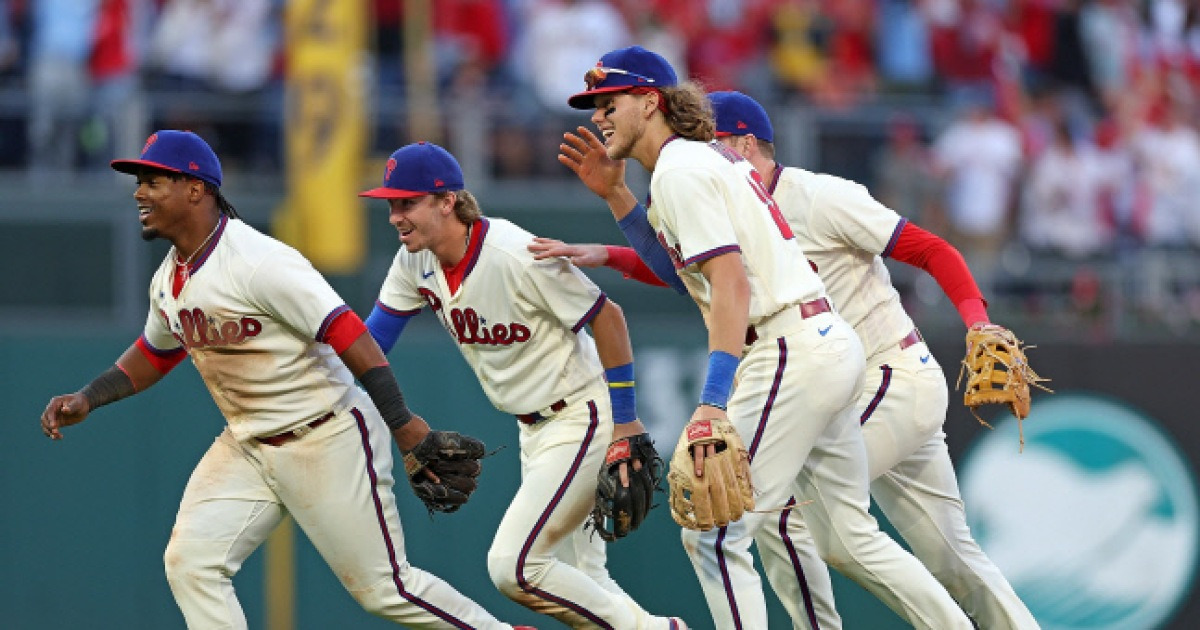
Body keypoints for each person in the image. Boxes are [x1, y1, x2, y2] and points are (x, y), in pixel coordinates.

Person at [536, 90, 1041, 629]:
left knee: (775, 512)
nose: (706, 150)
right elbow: (687, 271)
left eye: (715, 139)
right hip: (843, 376)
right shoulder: (729, 191)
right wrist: (612, 247)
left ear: (746, 143)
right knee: (915, 550)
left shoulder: (815, 196)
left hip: (887, 374)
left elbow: (930, 249)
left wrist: (976, 319)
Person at [39, 130, 529, 630]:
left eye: (153, 181)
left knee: (385, 589)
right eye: (139, 183)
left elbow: (350, 335)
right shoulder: (169, 277)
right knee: (191, 564)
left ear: (195, 189)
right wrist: (89, 397)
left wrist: (402, 426)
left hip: (325, 434)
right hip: (247, 444)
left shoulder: (259, 262)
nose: (139, 193)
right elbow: (154, 352)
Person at [358, 141, 687, 630]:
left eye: (407, 202)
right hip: (533, 429)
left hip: (581, 415)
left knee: (514, 566)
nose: (394, 216)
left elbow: (609, 318)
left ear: (447, 201)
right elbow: (373, 343)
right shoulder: (415, 262)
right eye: (390, 204)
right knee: (585, 579)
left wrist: (625, 421)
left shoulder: (515, 253)